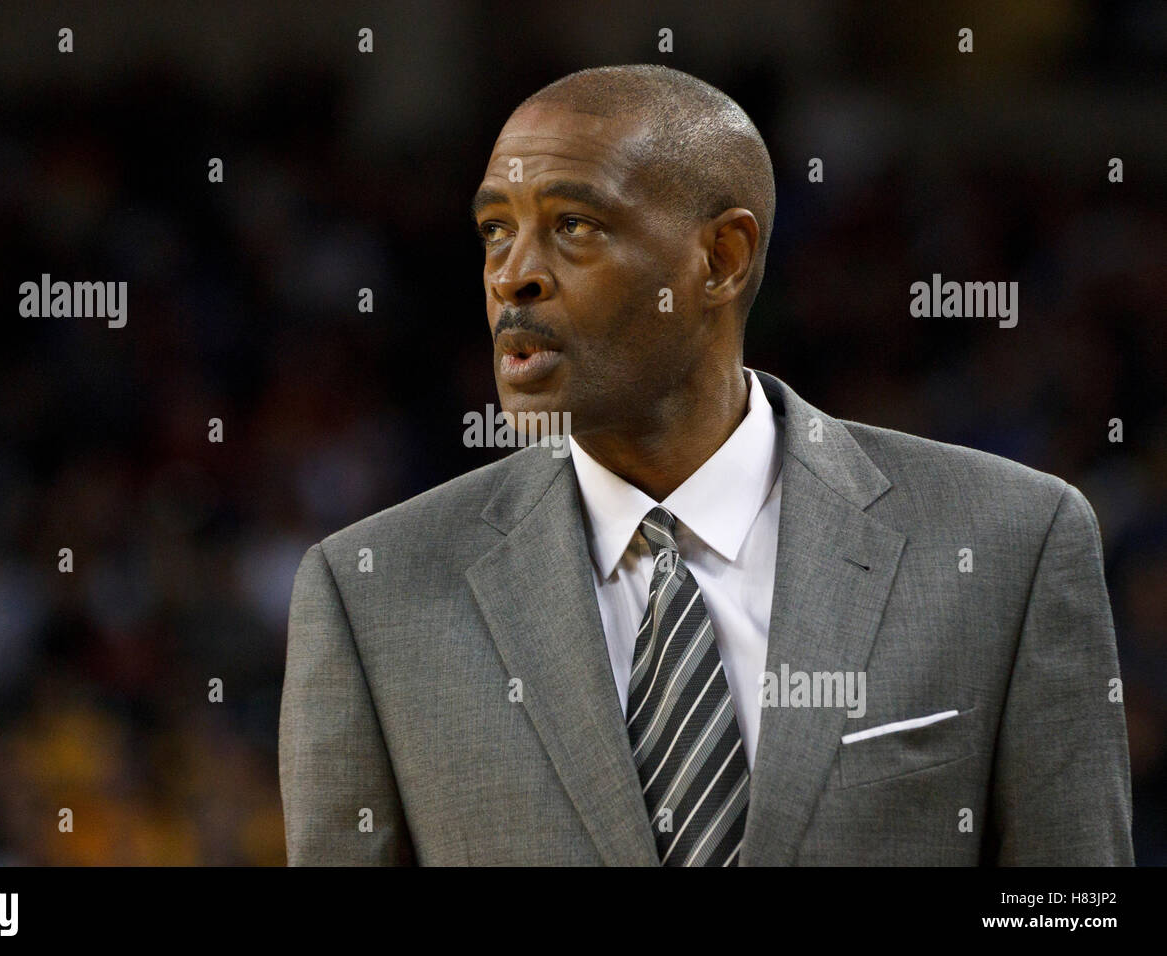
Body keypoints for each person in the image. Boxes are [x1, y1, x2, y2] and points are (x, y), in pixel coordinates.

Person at [279, 64, 1133, 865]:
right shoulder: (370, 593)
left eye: (571, 225)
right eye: (496, 230)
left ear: (721, 258)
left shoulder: (1012, 542)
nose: (514, 276)